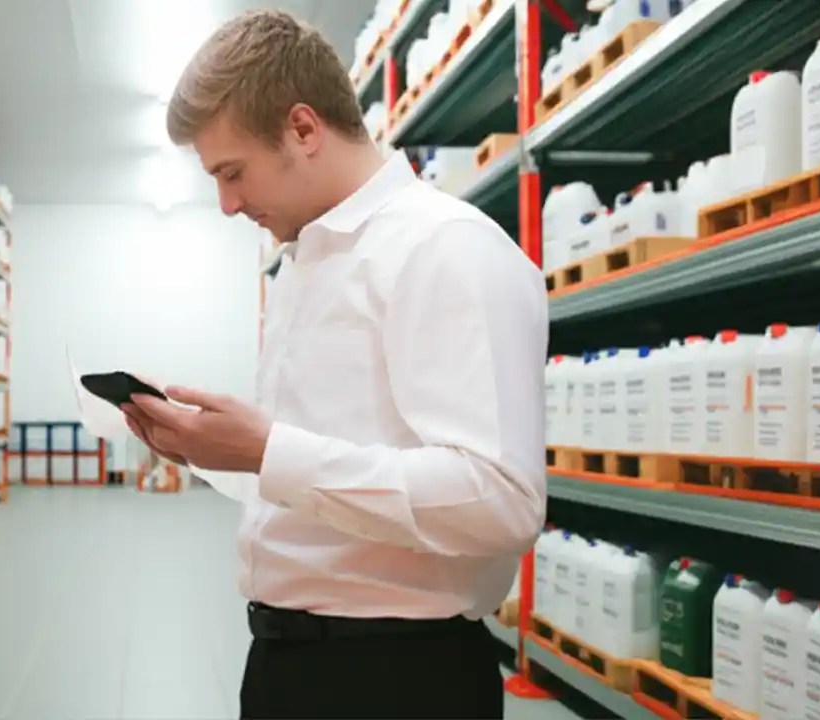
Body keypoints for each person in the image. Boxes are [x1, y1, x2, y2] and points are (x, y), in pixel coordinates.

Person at [120, 9, 548, 719]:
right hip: (295, 663)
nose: (226, 205)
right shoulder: (306, 261)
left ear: (303, 129)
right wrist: (215, 450)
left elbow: (501, 501)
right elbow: (332, 459)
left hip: (393, 680)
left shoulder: (444, 249)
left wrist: (271, 450)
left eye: (233, 173)